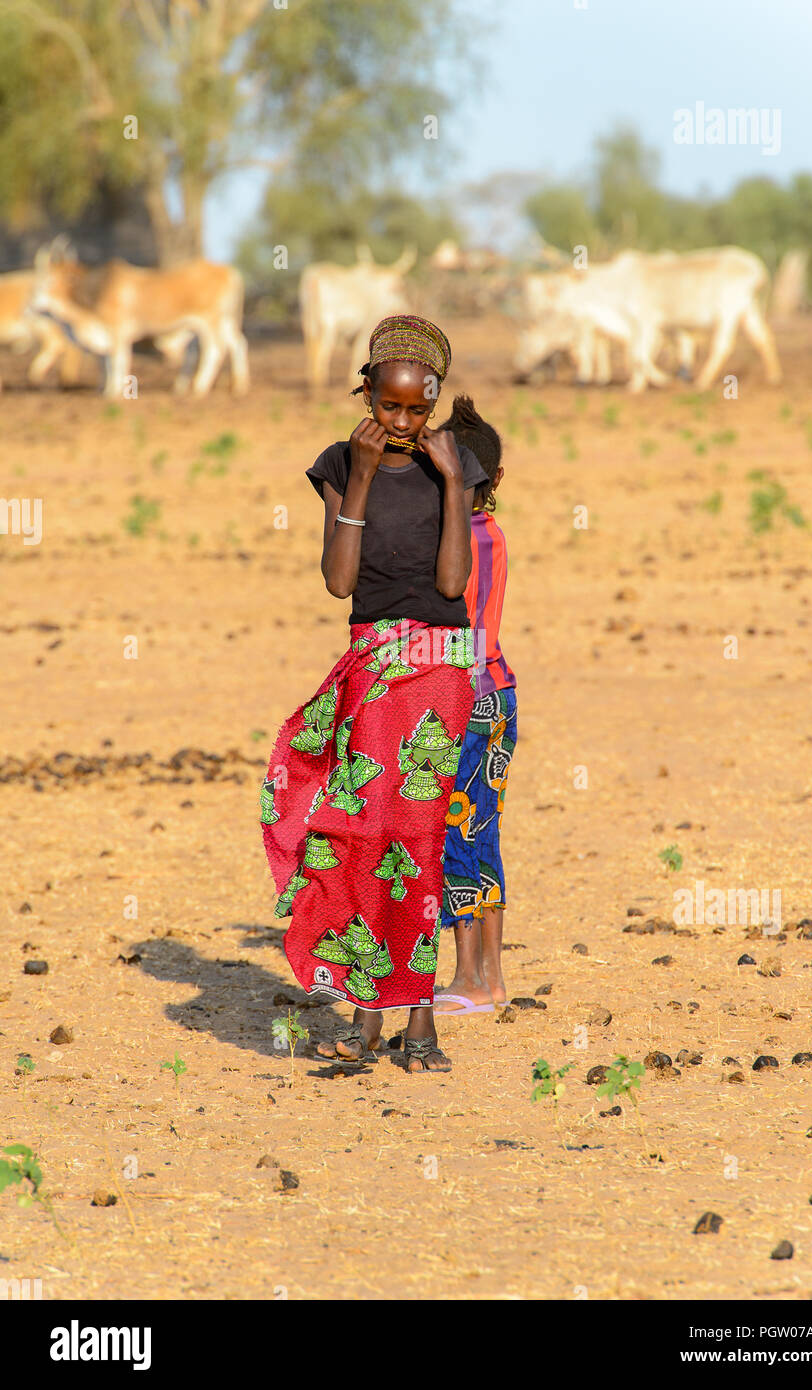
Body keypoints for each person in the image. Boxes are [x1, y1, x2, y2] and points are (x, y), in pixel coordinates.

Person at [261, 315, 489, 1073]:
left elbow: (454, 583)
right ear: (365, 392)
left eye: (415, 411)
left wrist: (454, 479)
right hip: (372, 667)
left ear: (432, 403)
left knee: (419, 840)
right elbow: (338, 581)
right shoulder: (337, 463)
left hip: (437, 675)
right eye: (387, 407)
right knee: (359, 834)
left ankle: (418, 1017)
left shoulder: (457, 466)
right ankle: (365, 1009)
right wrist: (359, 476)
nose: (400, 424)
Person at [433, 396, 518, 1014]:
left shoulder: (456, 541)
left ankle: (467, 978)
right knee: (480, 831)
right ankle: (490, 977)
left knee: (456, 837)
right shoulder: (495, 534)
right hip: (500, 696)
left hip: (464, 702)